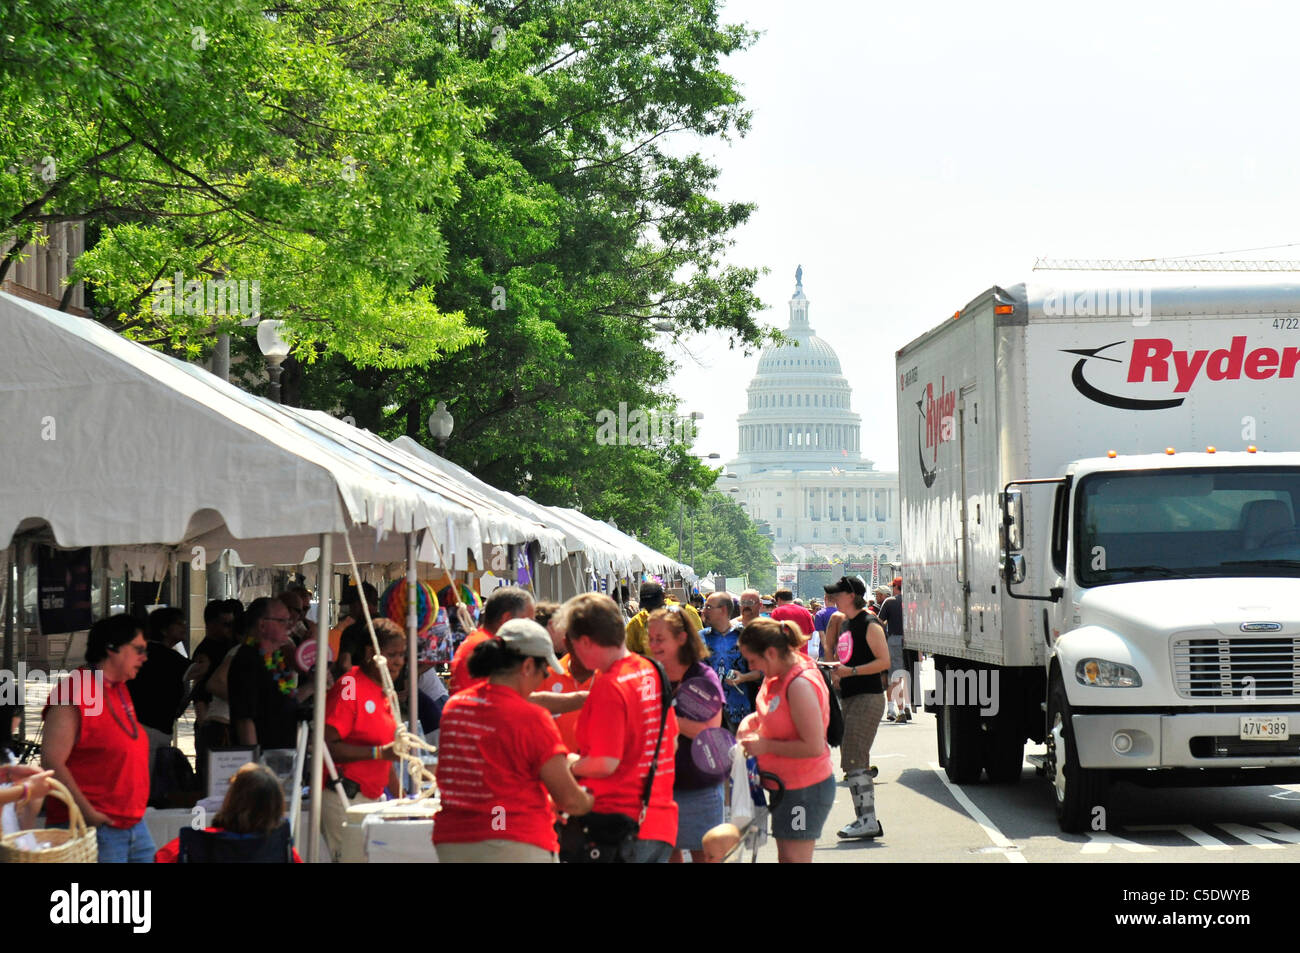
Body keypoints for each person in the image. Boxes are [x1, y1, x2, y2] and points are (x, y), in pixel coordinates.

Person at [434, 620, 593, 862]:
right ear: (528, 666)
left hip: (453, 843)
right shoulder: (531, 718)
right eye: (543, 673)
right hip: (514, 842)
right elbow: (569, 799)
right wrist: (592, 799)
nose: (542, 680)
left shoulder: (455, 707)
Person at [559, 592, 678, 863]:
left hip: (616, 825)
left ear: (585, 641)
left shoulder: (610, 684)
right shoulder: (652, 669)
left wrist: (568, 764)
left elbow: (604, 763)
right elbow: (671, 742)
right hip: (659, 817)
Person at [41, 614, 154, 862]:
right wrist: (88, 813)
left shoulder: (119, 687)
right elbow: (51, 761)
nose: (144, 658)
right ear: (111, 648)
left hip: (131, 824)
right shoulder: (76, 689)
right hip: (93, 826)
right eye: (138, 650)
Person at [735, 617, 834, 863]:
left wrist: (765, 745)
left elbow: (813, 745)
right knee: (787, 858)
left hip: (804, 789)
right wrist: (751, 724)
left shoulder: (799, 683)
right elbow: (769, 714)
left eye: (753, 660)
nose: (751, 666)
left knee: (794, 858)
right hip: (786, 788)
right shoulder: (778, 673)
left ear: (770, 653)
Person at [321, 617, 405, 862]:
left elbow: (387, 755)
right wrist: (379, 753)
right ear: (371, 653)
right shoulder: (350, 685)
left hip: (372, 800)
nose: (398, 661)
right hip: (345, 799)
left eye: (402, 654)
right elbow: (327, 746)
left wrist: (404, 801)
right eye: (392, 654)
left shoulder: (384, 691)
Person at [646, 606, 725, 862]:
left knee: (704, 854)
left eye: (660, 639)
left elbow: (708, 730)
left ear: (681, 639)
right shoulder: (652, 676)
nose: (652, 644)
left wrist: (664, 719)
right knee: (669, 852)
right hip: (660, 785)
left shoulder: (702, 677)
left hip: (697, 784)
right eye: (650, 638)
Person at [824, 576, 889, 839]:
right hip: (851, 696)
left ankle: (867, 820)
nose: (832, 598)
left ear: (851, 595)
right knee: (853, 757)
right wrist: (835, 671)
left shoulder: (869, 623)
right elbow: (848, 657)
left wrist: (850, 671)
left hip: (867, 697)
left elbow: (884, 661)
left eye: (837, 594)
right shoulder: (847, 622)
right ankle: (864, 818)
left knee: (854, 756)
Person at [155, 762, 302, 863]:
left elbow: (160, 859)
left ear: (230, 800)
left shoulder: (196, 843)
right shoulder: (282, 848)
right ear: (276, 807)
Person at [228, 597, 302, 750]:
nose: (289, 626)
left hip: (284, 752)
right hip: (265, 757)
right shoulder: (248, 659)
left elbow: (284, 703)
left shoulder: (276, 658)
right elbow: (245, 720)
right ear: (262, 625)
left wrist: (313, 685)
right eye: (282, 621)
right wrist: (254, 766)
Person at [448, 586, 535, 694]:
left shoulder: (480, 641)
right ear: (506, 618)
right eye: (527, 621)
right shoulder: (489, 647)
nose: (531, 627)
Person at [128, 607, 191, 756]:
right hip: (151, 729)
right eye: (179, 623)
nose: (184, 627)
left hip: (147, 727)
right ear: (164, 629)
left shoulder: (148, 651)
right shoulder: (165, 655)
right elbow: (197, 670)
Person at [699, 590, 757, 732]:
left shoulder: (746, 636)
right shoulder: (699, 638)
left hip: (740, 713)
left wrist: (743, 677)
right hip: (707, 713)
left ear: (723, 610)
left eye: (708, 607)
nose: (703, 611)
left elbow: (762, 671)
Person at [877, 577, 912, 720]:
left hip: (895, 640)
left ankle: (899, 710)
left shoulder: (890, 601)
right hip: (912, 640)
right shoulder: (913, 602)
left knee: (895, 676)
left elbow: (879, 622)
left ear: (896, 587)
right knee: (907, 675)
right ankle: (909, 706)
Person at [331, 582, 380, 675]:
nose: (350, 609)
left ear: (360, 604)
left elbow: (345, 664)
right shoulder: (389, 626)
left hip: (362, 686)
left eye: (351, 605)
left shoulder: (353, 630)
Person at [770, 589, 815, 657]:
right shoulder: (805, 611)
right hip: (802, 655)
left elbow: (773, 635)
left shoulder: (777, 612)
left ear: (778, 599)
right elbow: (810, 636)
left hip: (784, 656)